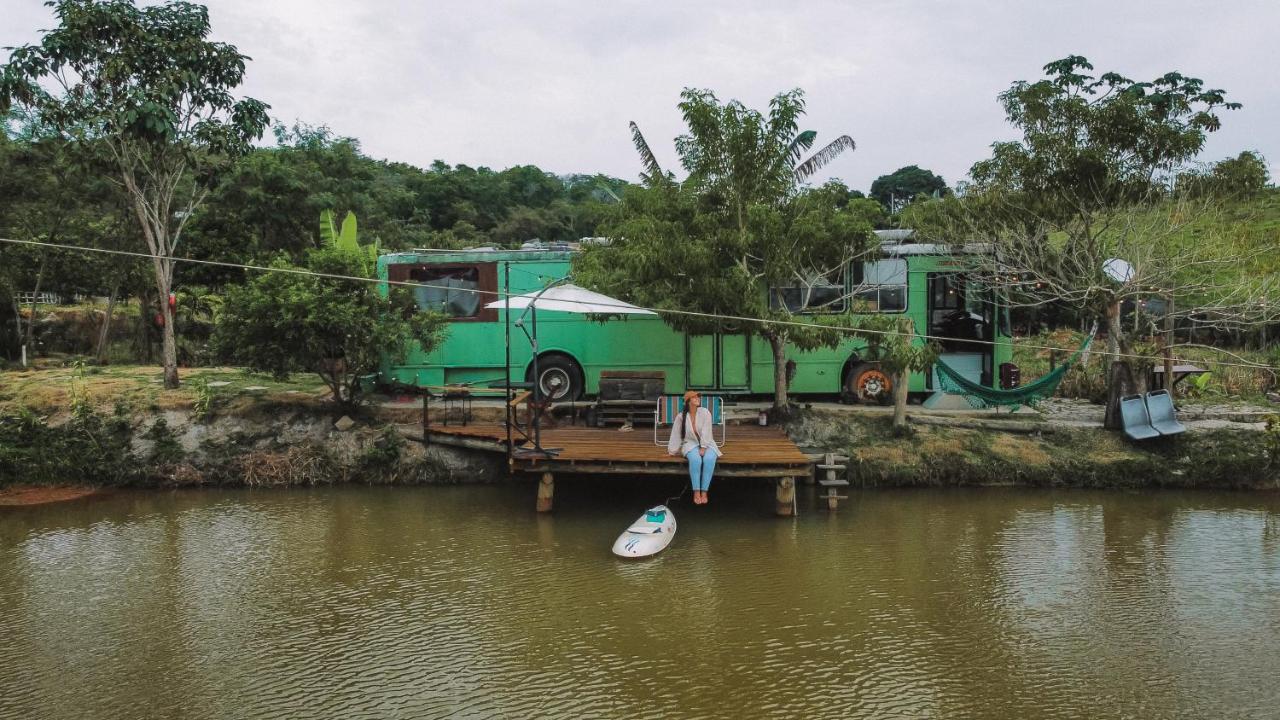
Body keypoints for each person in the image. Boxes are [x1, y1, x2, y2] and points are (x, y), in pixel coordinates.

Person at [666, 390, 720, 505]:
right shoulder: (681, 417)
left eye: (698, 397)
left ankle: (704, 491)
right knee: (696, 460)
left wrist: (704, 447)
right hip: (690, 443)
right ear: (688, 401)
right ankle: (696, 491)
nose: (697, 399)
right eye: (694, 397)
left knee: (709, 459)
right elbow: (676, 433)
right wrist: (672, 450)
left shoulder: (705, 412)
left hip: (708, 443)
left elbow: (707, 431)